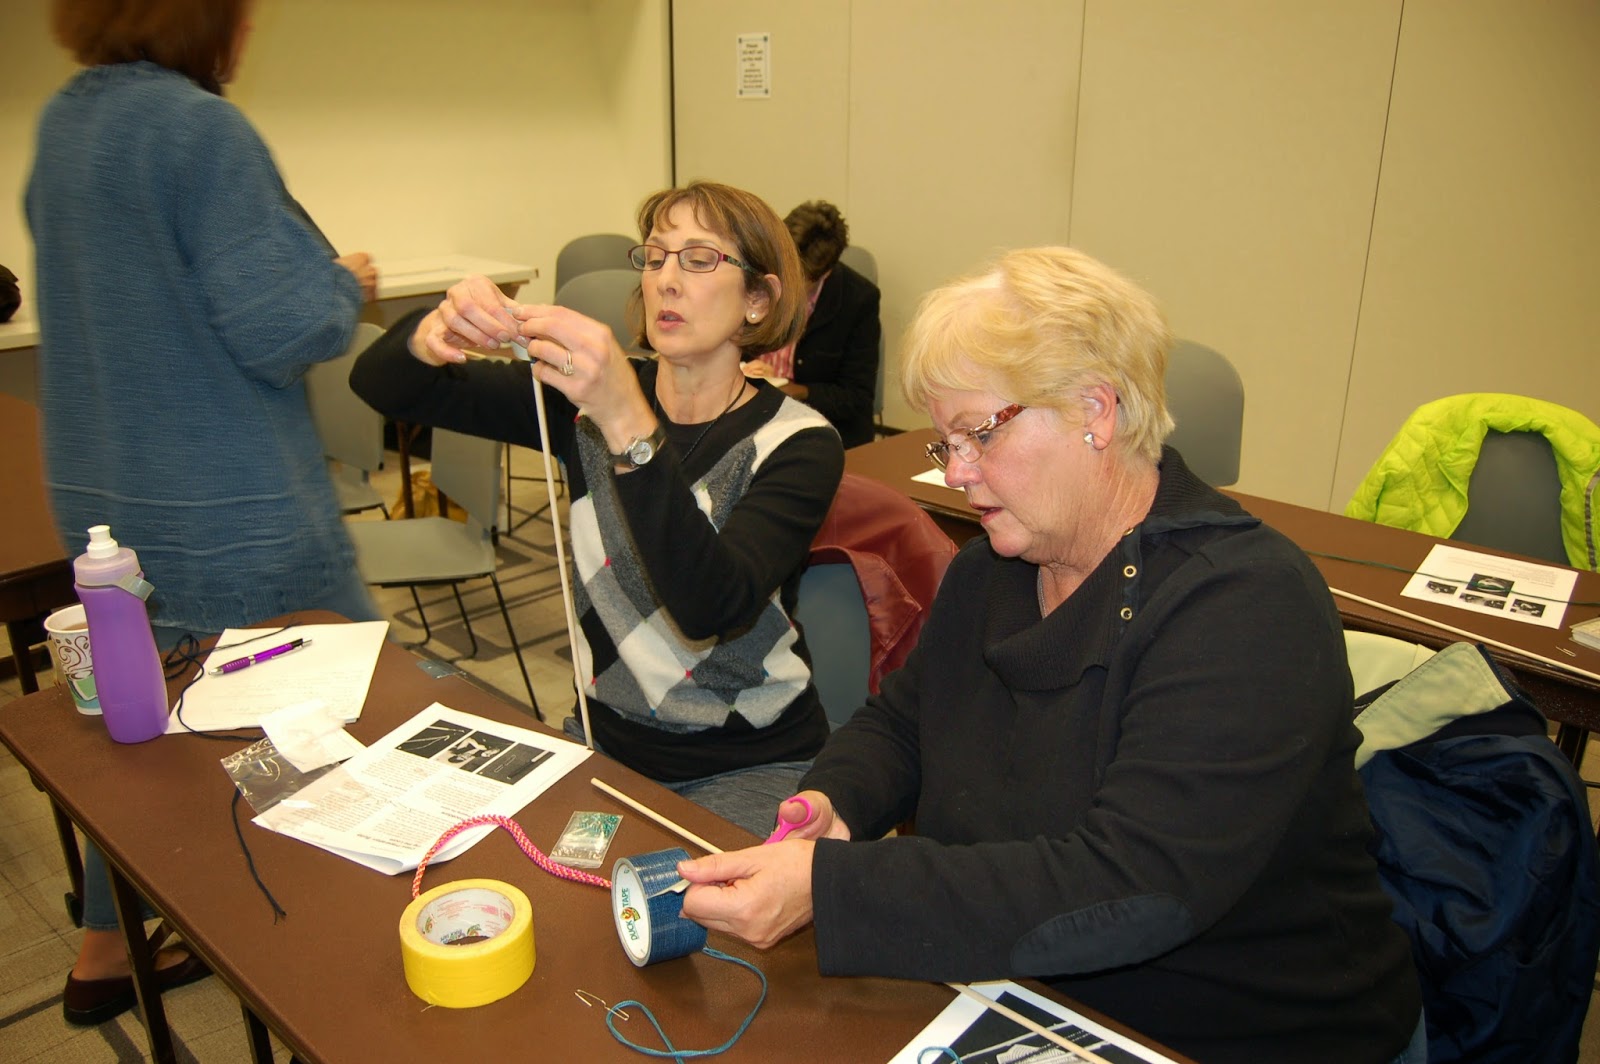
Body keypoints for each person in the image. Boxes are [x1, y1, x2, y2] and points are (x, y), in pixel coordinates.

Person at [678, 247, 1425, 1063]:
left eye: (978, 435)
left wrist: (830, 888)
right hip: (1027, 993)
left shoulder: (1245, 606)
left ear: (1095, 411)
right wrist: (835, 807)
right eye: (943, 442)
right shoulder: (992, 569)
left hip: (1229, 1029)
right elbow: (905, 721)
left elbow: (1134, 889)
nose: (956, 474)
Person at [27, 0, 382, 1026]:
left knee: (145, 732)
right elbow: (284, 323)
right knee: (346, 710)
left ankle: (106, 946)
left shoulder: (67, 123)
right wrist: (342, 282)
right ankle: (334, 958)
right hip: (237, 519)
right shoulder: (200, 129)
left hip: (108, 511)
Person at [352, 181, 845, 837]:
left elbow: (708, 605)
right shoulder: (581, 408)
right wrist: (435, 326)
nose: (667, 280)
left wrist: (624, 421)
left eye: (699, 260)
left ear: (759, 299)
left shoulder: (800, 442)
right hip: (606, 744)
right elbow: (382, 384)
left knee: (718, 930)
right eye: (656, 256)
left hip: (751, 760)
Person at [742, 200, 881, 447]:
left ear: (823, 272)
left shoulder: (858, 299)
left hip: (815, 427)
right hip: (749, 406)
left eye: (799, 276)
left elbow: (855, 398)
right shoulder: (757, 274)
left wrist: (796, 391)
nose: (785, 281)